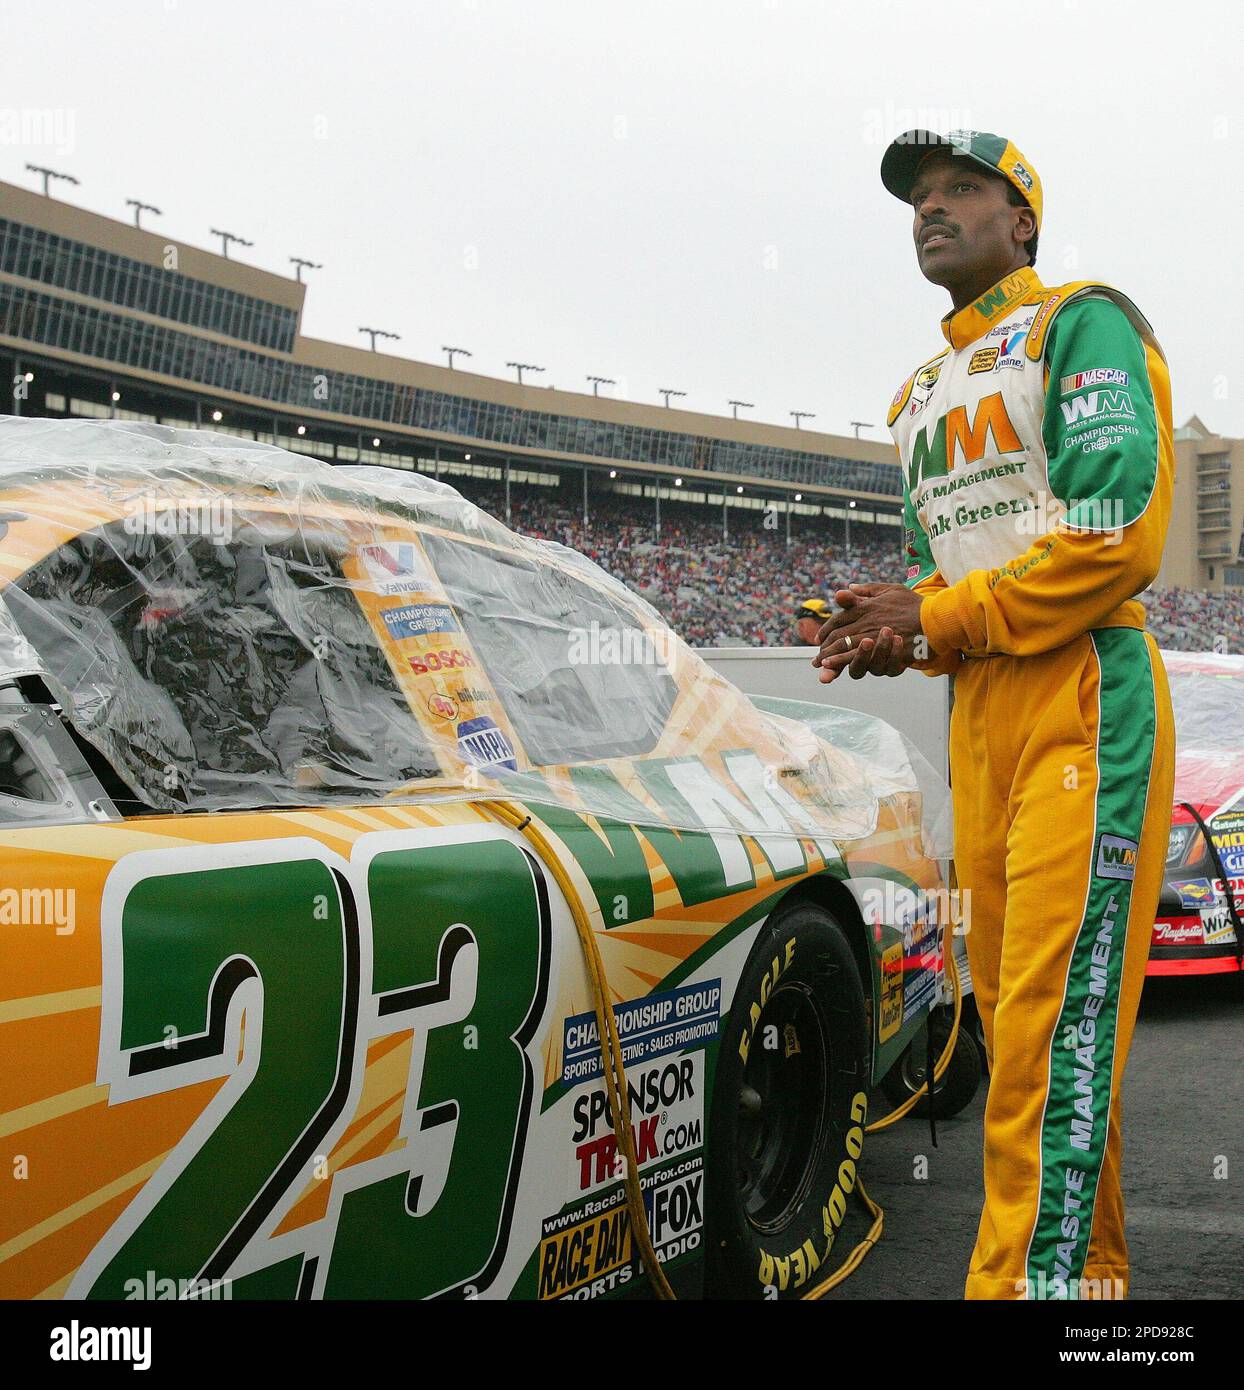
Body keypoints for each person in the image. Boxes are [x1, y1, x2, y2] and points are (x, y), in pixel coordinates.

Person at [813, 129, 1176, 1301]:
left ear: (1020, 218)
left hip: (1084, 692)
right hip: (982, 713)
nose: (929, 210)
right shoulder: (917, 395)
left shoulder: (1081, 321)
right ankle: (1092, 1286)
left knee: (1040, 1034)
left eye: (958, 190)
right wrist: (890, 621)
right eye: (917, 199)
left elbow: (1113, 528)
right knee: (1030, 1027)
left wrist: (938, 618)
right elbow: (948, 585)